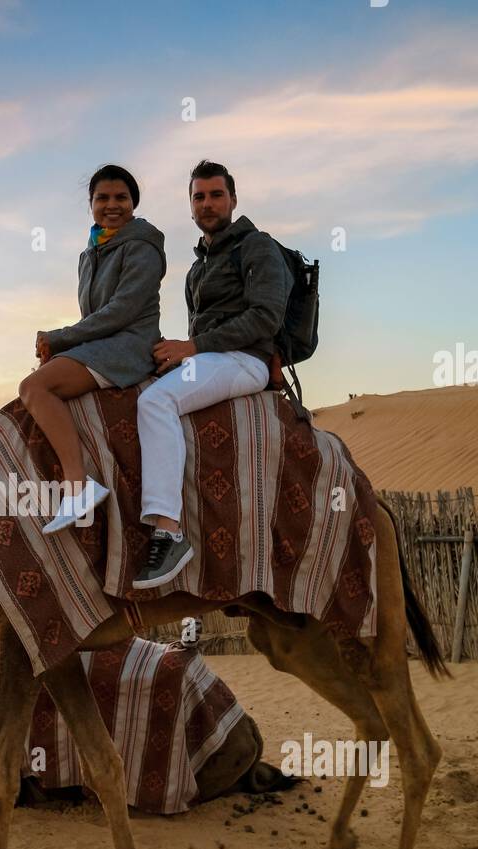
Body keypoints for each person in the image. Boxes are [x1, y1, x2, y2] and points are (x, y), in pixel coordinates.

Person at [132, 160, 292, 589]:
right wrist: (179, 352)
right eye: (199, 196)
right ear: (190, 205)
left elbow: (266, 317)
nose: (207, 203)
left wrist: (194, 348)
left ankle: (169, 532)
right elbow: (197, 333)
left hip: (246, 361)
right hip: (213, 359)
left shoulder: (256, 246)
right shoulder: (196, 269)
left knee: (156, 401)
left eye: (216, 194)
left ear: (233, 200)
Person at [21, 164, 167, 534]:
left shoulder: (142, 246)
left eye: (121, 197)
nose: (112, 205)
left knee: (35, 387)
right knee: (40, 380)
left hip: (130, 345)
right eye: (102, 198)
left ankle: (77, 484)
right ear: (91, 205)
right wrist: (61, 344)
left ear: (134, 203)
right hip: (104, 341)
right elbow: (95, 315)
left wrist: (61, 337)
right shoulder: (90, 254)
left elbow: (122, 311)